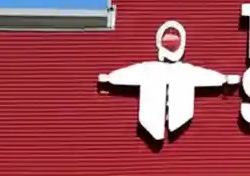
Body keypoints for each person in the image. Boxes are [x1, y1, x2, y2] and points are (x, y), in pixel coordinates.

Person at [98, 20, 240, 141]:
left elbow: (204, 75)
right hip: (152, 123)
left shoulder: (186, 71)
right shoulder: (149, 69)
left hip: (178, 120)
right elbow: (130, 73)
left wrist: (223, 79)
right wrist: (110, 78)